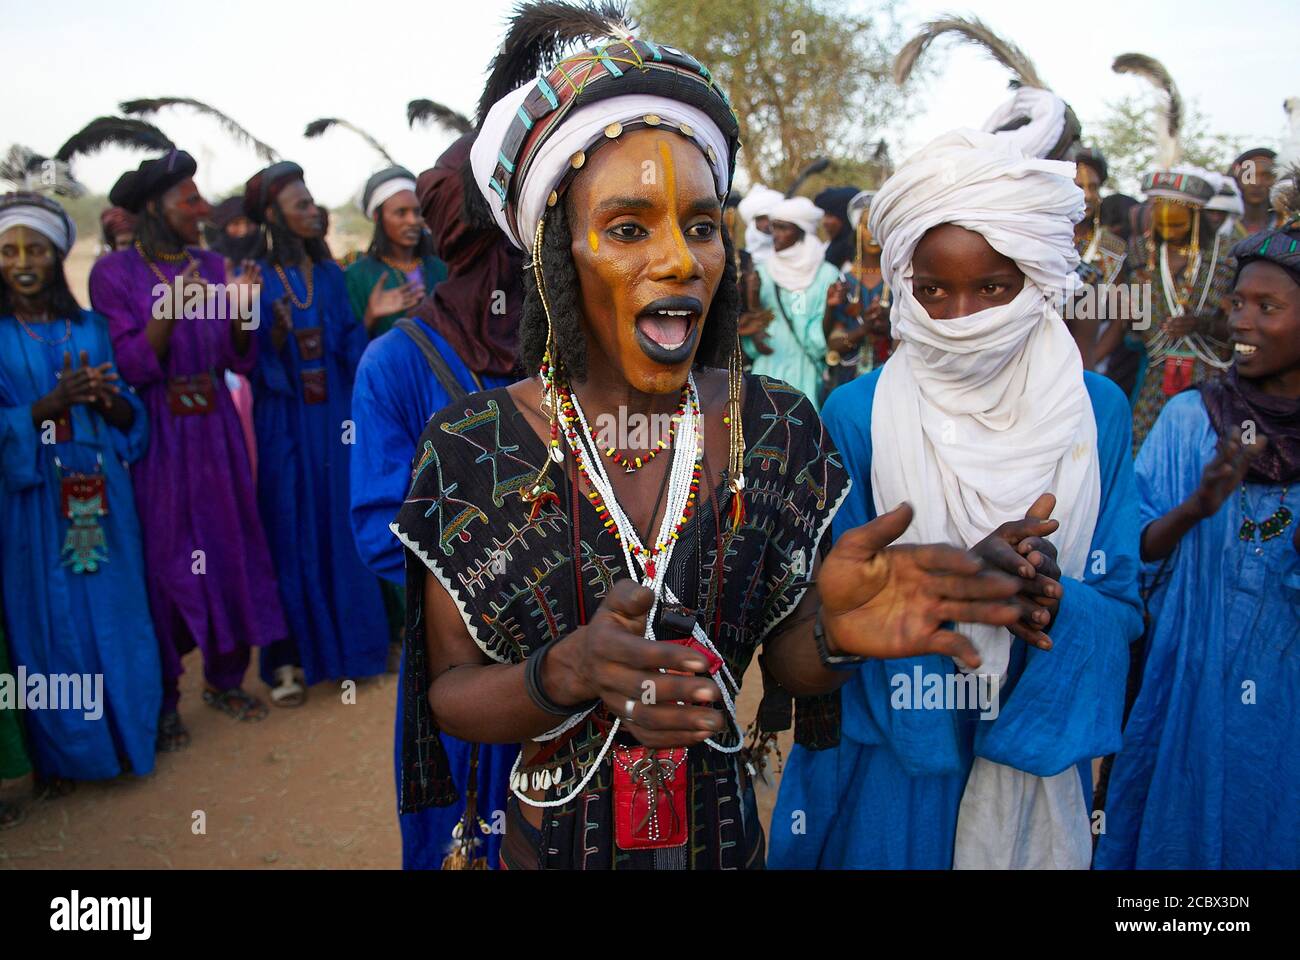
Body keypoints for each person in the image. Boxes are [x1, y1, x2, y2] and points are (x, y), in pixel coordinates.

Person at [391, 3, 1026, 871]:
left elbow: (794, 670)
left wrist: (838, 629)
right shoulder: (474, 445)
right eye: (627, 228)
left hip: (727, 844)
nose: (682, 259)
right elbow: (453, 692)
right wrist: (569, 672)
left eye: (700, 223)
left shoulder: (773, 430)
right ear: (553, 251)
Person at [770, 129, 1143, 870]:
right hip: (894, 757)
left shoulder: (1093, 412)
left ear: (1036, 282)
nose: (961, 317)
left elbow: (1121, 604)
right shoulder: (857, 414)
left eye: (992, 290)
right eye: (932, 291)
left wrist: (1049, 593)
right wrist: (952, 581)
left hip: (1035, 740)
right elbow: (820, 618)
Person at [1095, 220, 1300, 868]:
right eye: (1237, 303)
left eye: (1268, 307)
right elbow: (1131, 547)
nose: (1242, 321)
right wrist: (1194, 510)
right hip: (1184, 682)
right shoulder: (1193, 419)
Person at [350, 134, 520, 869]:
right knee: (467, 838)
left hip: (585, 660)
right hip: (462, 666)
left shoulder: (575, 354)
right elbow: (381, 533)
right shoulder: (394, 363)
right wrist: (519, 555)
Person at [89, 151, 282, 746]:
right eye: (188, 200)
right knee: (166, 558)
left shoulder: (212, 263)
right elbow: (131, 364)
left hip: (216, 430)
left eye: (200, 199)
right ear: (154, 207)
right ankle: (167, 694)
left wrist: (242, 314)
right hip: (161, 433)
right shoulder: (114, 274)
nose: (201, 210)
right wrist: (174, 305)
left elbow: (235, 359)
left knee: (229, 547)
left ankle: (225, 679)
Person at [0, 192, 162, 785]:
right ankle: (73, 757)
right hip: (32, 504)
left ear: (55, 256)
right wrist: (46, 406)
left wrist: (105, 399)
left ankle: (129, 740)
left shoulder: (91, 329)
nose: (22, 260)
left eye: (35, 249)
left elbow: (131, 420)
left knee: (117, 615)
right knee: (49, 623)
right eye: (10, 250)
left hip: (100, 494)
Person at [243, 161, 389, 704]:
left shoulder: (328, 276)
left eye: (311, 202)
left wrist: (369, 321)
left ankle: (356, 651)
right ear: (272, 215)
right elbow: (245, 363)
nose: (312, 210)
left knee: (337, 524)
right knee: (290, 529)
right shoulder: (255, 281)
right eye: (300, 204)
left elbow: (350, 348)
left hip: (332, 422)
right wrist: (269, 335)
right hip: (284, 423)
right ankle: (291, 662)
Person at [1126, 169, 1234, 451]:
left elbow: (1239, 329)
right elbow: (1128, 322)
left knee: (1201, 449)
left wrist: (1202, 324)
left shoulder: (1224, 257)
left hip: (1208, 376)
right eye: (1159, 209)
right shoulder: (1140, 253)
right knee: (1144, 449)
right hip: (1154, 372)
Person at [744, 195, 840, 408]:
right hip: (766, 371)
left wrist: (831, 308)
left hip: (805, 373)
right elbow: (753, 335)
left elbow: (819, 339)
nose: (775, 235)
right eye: (774, 228)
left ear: (801, 231)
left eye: (783, 228)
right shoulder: (762, 272)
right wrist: (751, 299)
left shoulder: (827, 275)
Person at [344, 166, 448, 340]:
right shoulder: (357, 276)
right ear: (378, 217)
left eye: (417, 212)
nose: (413, 221)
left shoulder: (439, 267)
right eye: (401, 213)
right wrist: (370, 316)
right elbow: (344, 347)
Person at [823, 189, 891, 398]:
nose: (873, 234)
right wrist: (831, 308)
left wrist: (887, 325)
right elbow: (833, 343)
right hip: (849, 380)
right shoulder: (844, 282)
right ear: (857, 230)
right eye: (866, 226)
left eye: (877, 226)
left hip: (890, 379)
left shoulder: (899, 279)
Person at [1072, 146, 1128, 372]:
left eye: (1093, 187)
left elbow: (1119, 320)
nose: (1087, 195)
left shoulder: (1110, 245)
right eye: (1078, 187)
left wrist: (1088, 364)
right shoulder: (1041, 236)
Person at [1231, 147, 1278, 236]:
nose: (1257, 183)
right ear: (1237, 180)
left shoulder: (1288, 227)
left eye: (1266, 177)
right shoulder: (1221, 225)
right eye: (1248, 176)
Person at [814, 185, 861, 268]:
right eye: (825, 215)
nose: (824, 222)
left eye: (830, 215)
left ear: (846, 218)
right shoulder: (827, 248)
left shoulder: (860, 258)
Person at [736, 184, 782, 265]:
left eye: (769, 218)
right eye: (761, 219)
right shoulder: (742, 261)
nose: (767, 224)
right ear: (752, 223)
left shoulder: (789, 256)